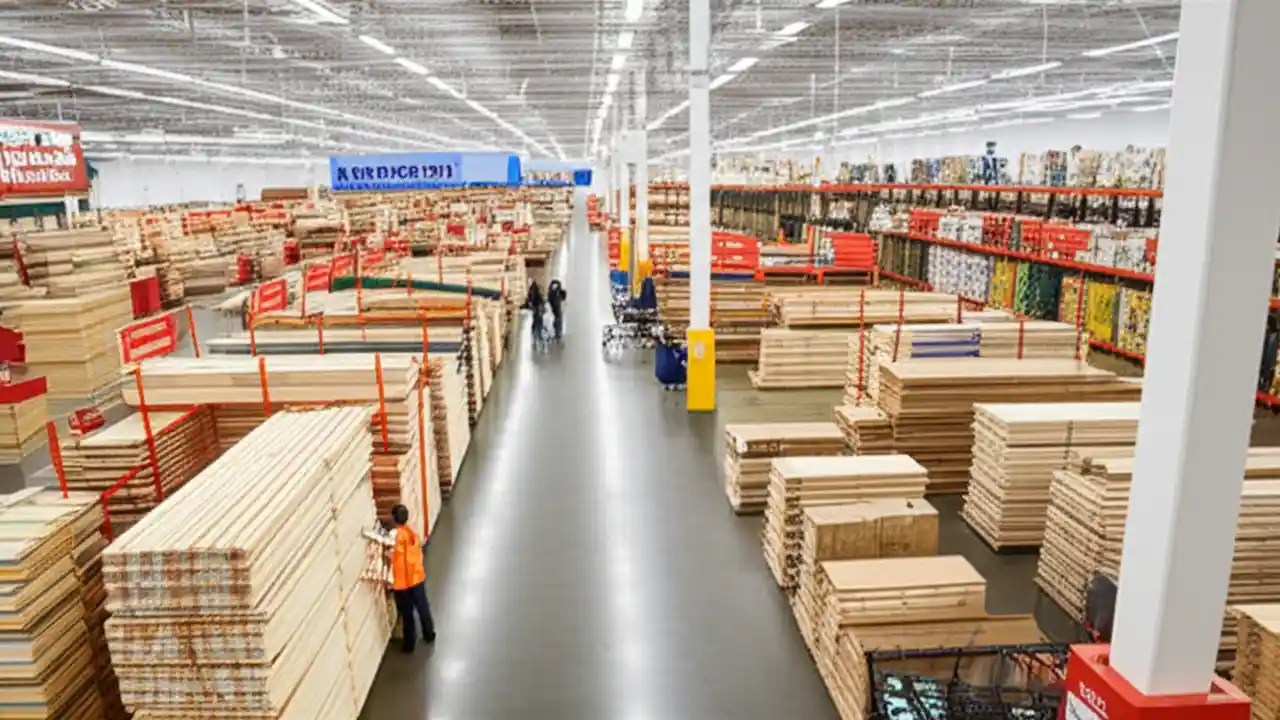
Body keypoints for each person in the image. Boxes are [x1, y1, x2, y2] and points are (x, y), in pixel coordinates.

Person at [389, 504, 435, 652]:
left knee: (407, 613)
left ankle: (410, 643)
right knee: (423, 607)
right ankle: (429, 633)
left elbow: (390, 553)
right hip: (416, 577)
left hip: (402, 582)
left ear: (393, 519)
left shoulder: (393, 535)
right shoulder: (412, 534)